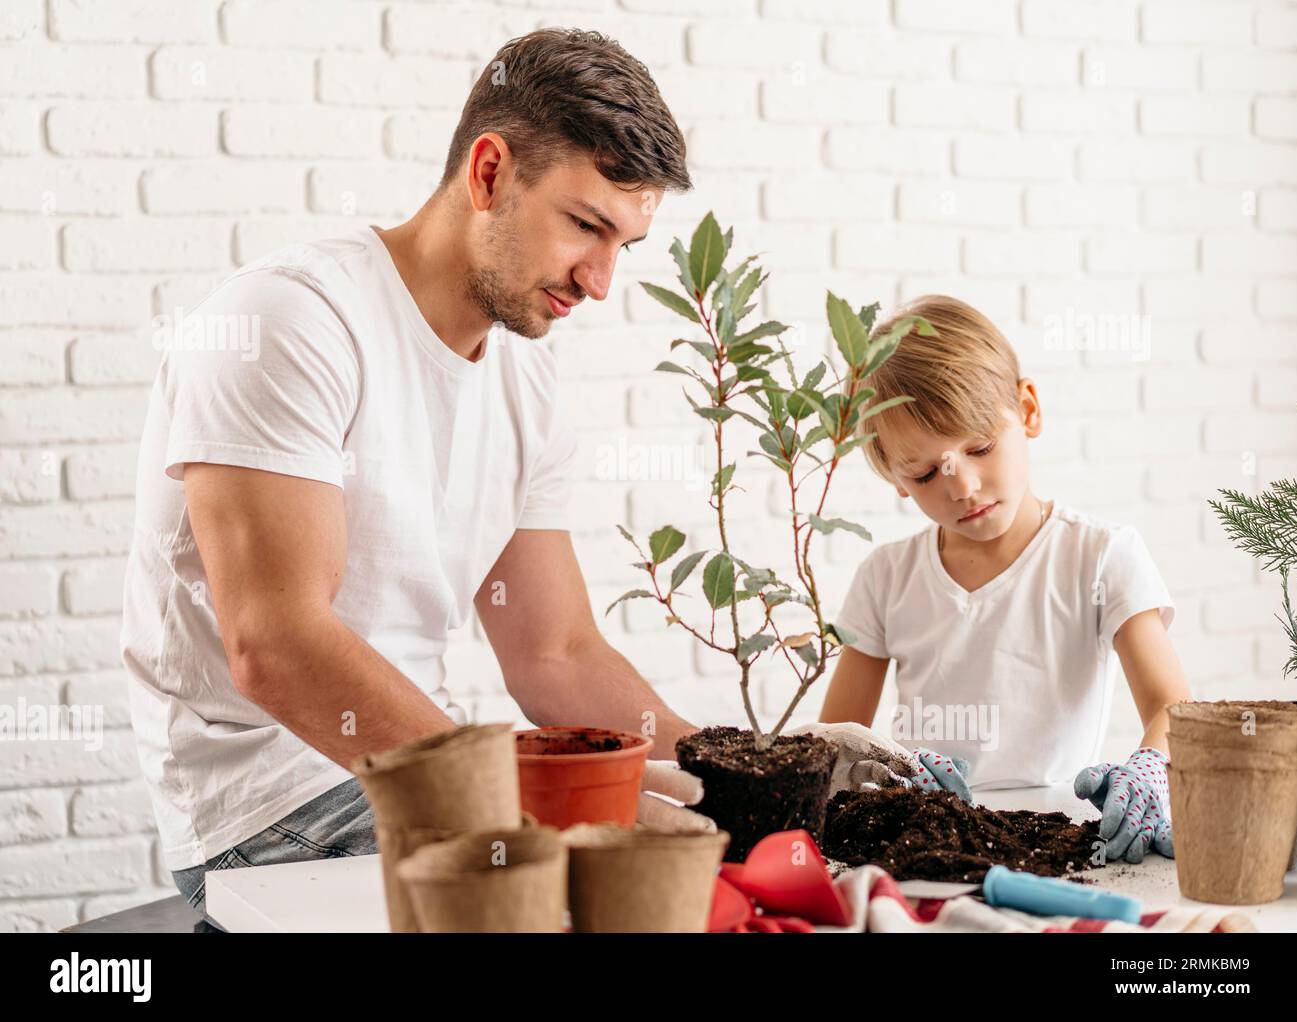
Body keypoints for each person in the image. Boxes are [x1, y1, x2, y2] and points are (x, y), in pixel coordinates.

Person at [121, 28, 713, 922]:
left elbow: (555, 653)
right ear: (488, 173)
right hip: (272, 807)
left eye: (625, 243)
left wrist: (733, 774)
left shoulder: (527, 381)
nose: (599, 281)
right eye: (586, 226)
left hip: (417, 771)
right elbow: (274, 645)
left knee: (706, 866)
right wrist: (541, 802)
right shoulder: (290, 322)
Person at [812, 295, 1191, 864]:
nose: (961, 485)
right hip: (929, 843)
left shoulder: (1101, 556)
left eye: (981, 447)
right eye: (924, 471)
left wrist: (1149, 771)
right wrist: (886, 773)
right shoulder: (885, 577)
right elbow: (838, 738)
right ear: (893, 473)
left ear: (1028, 409)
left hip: (1066, 840)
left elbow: (1172, 706)